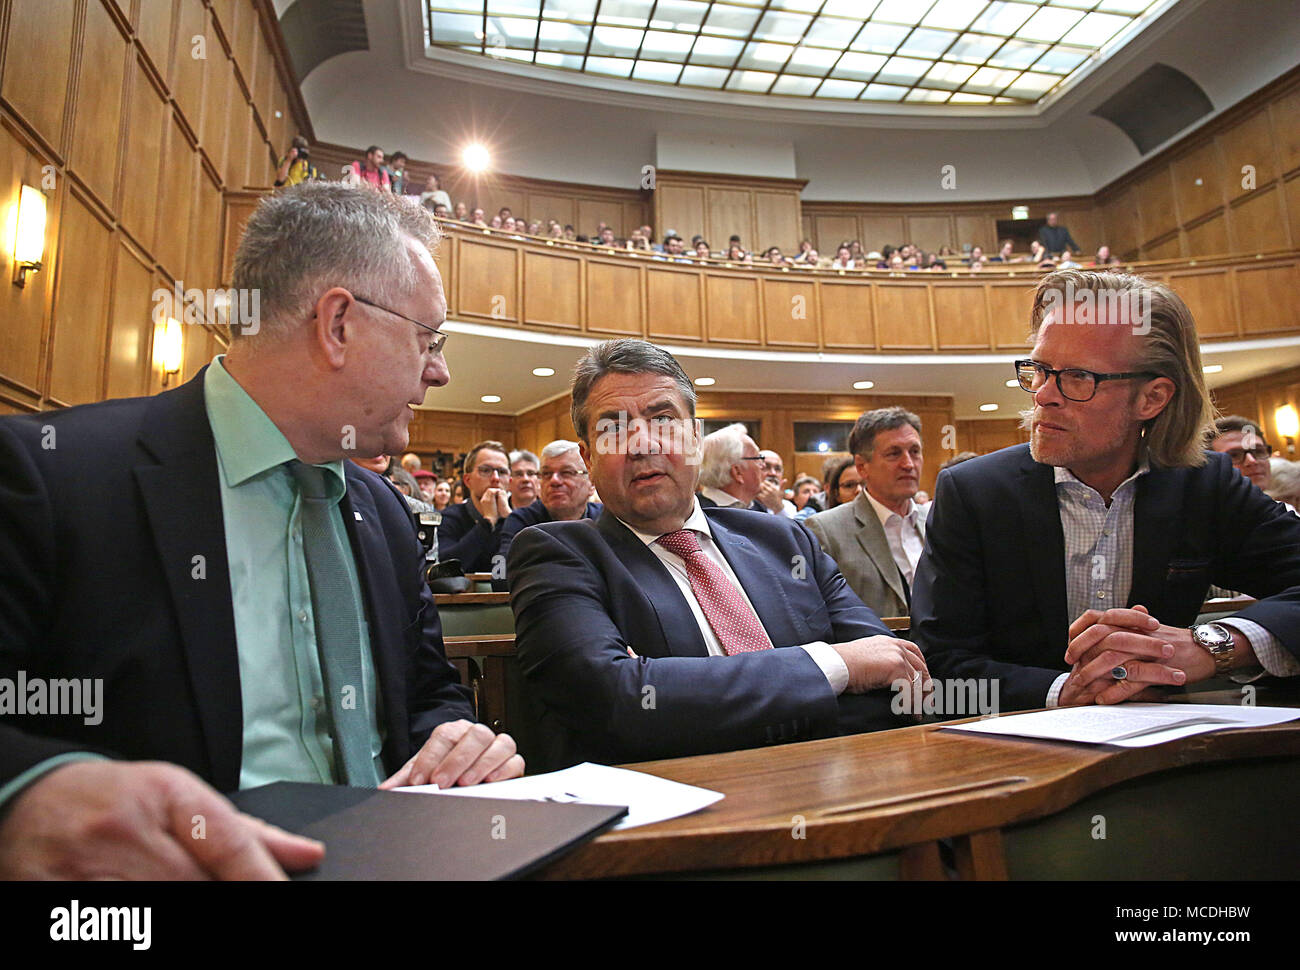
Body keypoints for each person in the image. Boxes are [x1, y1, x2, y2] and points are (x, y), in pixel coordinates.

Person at [0, 182, 522, 880]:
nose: (440, 371)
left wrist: (458, 743)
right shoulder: (51, 478)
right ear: (338, 324)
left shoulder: (387, 517)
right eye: (428, 339)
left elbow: (429, 696)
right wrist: (31, 792)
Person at [506, 339, 927, 769]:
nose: (642, 443)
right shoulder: (556, 555)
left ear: (694, 438)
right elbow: (617, 706)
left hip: (838, 791)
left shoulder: (784, 541)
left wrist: (688, 698)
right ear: (588, 457)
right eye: (613, 428)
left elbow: (895, 677)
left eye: (663, 419)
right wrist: (832, 666)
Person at [911, 269, 1300, 713]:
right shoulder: (974, 493)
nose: (1043, 396)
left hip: (1166, 745)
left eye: (1077, 377)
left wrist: (1215, 645)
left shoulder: (1203, 484)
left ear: (1151, 399)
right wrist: (1061, 690)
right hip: (1015, 750)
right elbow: (937, 665)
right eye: (1040, 370)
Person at [805, 408, 929, 618]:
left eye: (915, 451)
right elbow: (813, 615)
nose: (908, 464)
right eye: (894, 453)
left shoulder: (936, 521)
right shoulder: (825, 530)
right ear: (862, 467)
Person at [492, 440, 602, 590]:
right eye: (546, 474)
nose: (554, 481)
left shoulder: (605, 519)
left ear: (592, 483)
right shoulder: (521, 520)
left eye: (566, 472)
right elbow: (499, 576)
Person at [435, 440, 511, 572]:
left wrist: (510, 521)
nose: (496, 478)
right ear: (468, 481)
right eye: (485, 470)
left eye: (502, 472)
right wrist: (486, 523)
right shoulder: (449, 518)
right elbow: (446, 567)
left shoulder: (520, 519)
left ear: (510, 481)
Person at [696, 423, 764, 510]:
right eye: (757, 458)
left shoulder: (759, 507)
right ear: (737, 472)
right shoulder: (697, 512)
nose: (763, 465)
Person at [755, 449, 796, 517]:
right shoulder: (741, 503)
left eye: (777, 469)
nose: (773, 473)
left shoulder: (788, 507)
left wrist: (777, 507)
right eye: (766, 467)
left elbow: (790, 527)